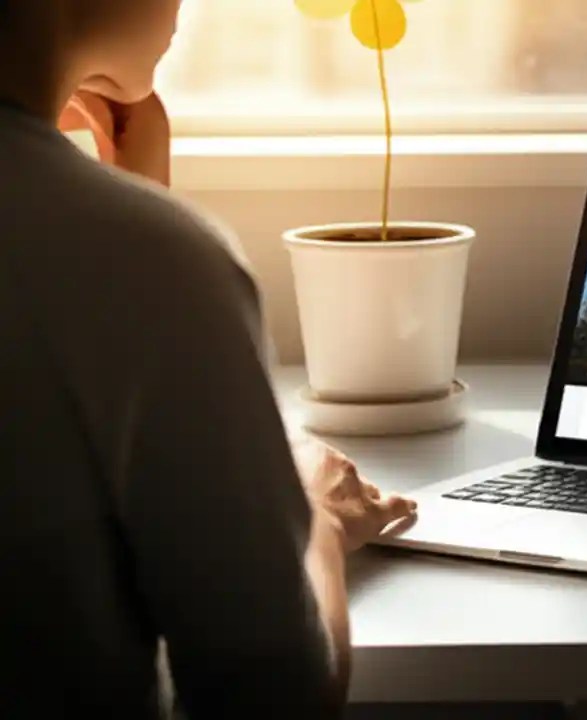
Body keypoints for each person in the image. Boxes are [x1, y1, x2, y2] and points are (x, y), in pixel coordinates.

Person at [0, 1, 417, 717]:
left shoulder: (118, 254)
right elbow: (273, 697)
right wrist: (316, 519)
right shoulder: (144, 261)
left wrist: (133, 202)